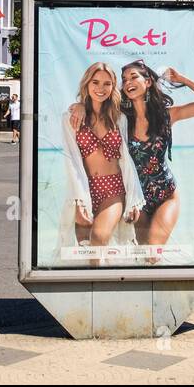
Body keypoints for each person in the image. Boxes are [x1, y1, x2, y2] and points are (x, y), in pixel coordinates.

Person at [70, 60, 194, 255]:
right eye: (124, 79)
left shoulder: (166, 116)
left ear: (148, 82)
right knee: (143, 254)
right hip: (136, 197)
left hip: (166, 194)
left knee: (152, 251)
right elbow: (97, 103)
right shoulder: (121, 119)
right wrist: (79, 106)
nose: (128, 82)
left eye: (133, 77)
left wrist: (181, 79)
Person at [59, 63, 144, 265]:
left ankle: (101, 283)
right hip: (84, 190)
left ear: (113, 87)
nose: (101, 88)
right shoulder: (71, 118)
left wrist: (134, 199)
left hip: (113, 189)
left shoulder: (119, 118)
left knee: (97, 238)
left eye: (107, 83)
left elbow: (127, 161)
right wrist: (78, 200)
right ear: (87, 84)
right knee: (84, 249)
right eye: (95, 82)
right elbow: (70, 160)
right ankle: (96, 283)